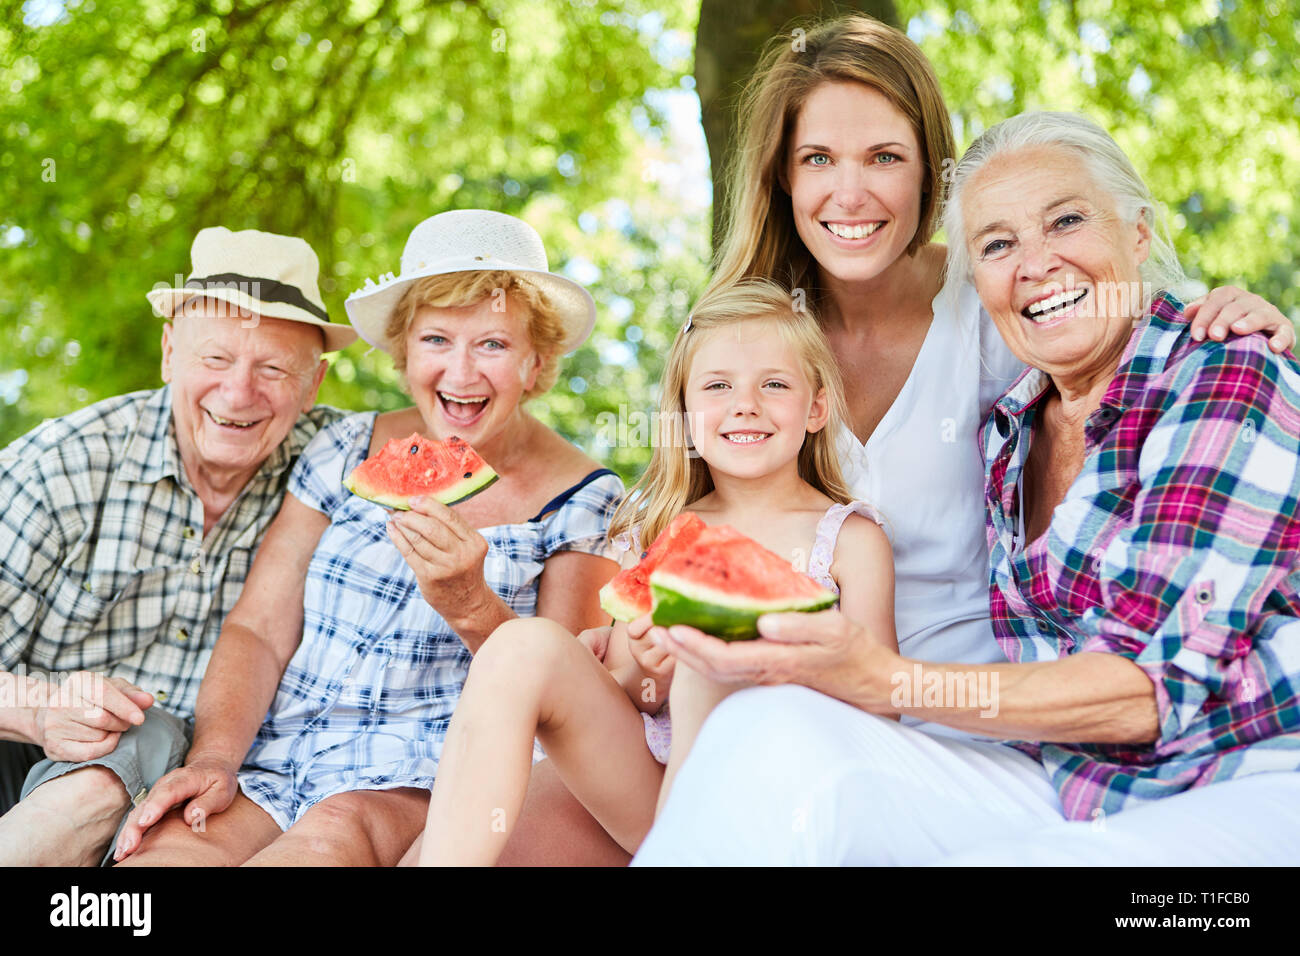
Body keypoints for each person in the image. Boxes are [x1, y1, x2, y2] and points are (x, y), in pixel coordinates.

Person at [496, 12, 1299, 865]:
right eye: (817, 159)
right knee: (711, 759)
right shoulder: (1004, 414)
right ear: (780, 179)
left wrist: (1239, 328)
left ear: (929, 178)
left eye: (885, 157)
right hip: (930, 735)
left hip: (1084, 748)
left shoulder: (1038, 340)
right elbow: (677, 524)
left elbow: (1155, 681)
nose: (852, 193)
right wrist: (641, 649)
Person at [111, 209, 623, 866]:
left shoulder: (585, 498)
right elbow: (259, 629)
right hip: (270, 762)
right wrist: (213, 759)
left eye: (492, 345)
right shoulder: (343, 445)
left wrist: (471, 604)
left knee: (332, 832)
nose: (461, 375)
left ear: (537, 360)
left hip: (418, 781)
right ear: (405, 349)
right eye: (437, 340)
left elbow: (565, 714)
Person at [416, 279, 896, 864]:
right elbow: (625, 689)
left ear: (817, 407)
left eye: (774, 384)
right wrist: (650, 670)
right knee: (520, 645)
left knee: (707, 670)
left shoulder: (850, 538)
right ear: (687, 413)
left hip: (785, 799)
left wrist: (766, 659)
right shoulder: (661, 533)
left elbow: (882, 702)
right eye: (718, 386)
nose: (745, 404)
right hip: (653, 796)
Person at [0, 226, 355, 865]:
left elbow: (462, 419)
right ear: (169, 352)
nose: (238, 393)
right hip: (26, 757)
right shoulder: (61, 467)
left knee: (151, 737)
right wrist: (41, 708)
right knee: (133, 736)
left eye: (273, 368)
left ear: (314, 385)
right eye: (214, 359)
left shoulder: (335, 468)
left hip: (203, 801)